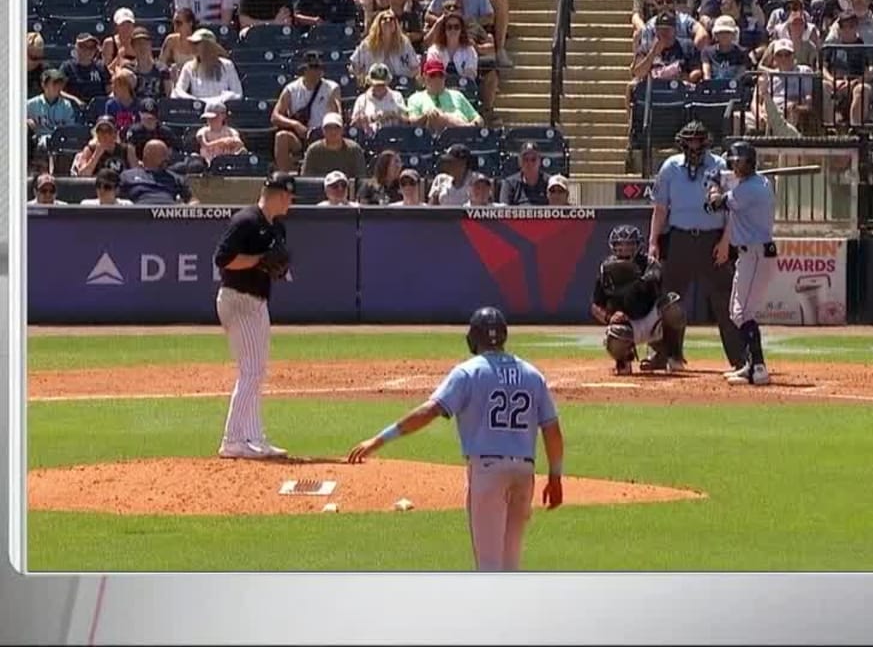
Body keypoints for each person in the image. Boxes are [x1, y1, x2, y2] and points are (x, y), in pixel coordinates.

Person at [346, 307, 565, 572]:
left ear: (473, 338)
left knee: (489, 565)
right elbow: (552, 431)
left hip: (488, 473)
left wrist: (379, 440)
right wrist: (555, 476)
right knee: (510, 565)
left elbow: (429, 411)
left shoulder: (467, 372)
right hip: (524, 473)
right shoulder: (532, 374)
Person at [648, 121, 746, 371]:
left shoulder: (720, 166)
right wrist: (653, 241)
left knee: (724, 301)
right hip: (680, 238)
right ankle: (667, 355)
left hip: (711, 239)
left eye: (698, 142)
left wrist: (725, 242)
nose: (694, 147)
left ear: (706, 143)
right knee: (669, 300)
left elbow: (733, 209)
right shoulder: (670, 167)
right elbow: (660, 208)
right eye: (689, 142)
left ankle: (739, 360)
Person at [213, 173, 297, 460]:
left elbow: (277, 266)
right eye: (287, 195)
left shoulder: (278, 228)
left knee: (256, 371)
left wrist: (278, 269)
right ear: (274, 193)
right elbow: (222, 259)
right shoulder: (246, 221)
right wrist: (259, 260)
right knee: (251, 372)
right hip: (237, 299)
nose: (290, 201)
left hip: (258, 302)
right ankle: (232, 439)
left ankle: (254, 438)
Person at [707, 141, 776, 386]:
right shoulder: (758, 183)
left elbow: (714, 206)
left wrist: (713, 186)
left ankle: (758, 368)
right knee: (736, 313)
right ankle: (749, 365)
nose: (736, 165)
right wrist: (722, 179)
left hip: (756, 254)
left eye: (740, 161)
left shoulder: (749, 190)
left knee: (744, 312)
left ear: (749, 163)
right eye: (735, 162)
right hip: (749, 255)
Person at [592, 224, 686, 375]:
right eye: (620, 244)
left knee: (672, 306)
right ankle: (623, 361)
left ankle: (673, 355)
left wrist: (634, 280)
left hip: (650, 318)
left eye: (629, 244)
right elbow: (596, 305)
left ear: (638, 245)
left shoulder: (649, 263)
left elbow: (655, 278)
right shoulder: (606, 268)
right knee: (615, 335)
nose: (625, 248)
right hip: (626, 323)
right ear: (613, 246)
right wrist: (610, 317)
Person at [271, 51, 343, 172]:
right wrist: (295, 124)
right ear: (304, 69)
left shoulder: (331, 88)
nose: (317, 72)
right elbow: (275, 116)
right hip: (301, 135)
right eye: (313, 68)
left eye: (319, 68)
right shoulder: (291, 89)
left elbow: (337, 114)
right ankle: (285, 177)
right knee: (281, 137)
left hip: (323, 134)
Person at [171, 29, 243, 106]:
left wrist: (223, 99)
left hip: (221, 110)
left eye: (197, 43)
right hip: (198, 109)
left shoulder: (227, 65)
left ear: (208, 46)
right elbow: (177, 92)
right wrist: (194, 100)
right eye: (193, 43)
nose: (193, 46)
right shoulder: (188, 67)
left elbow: (238, 94)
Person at [119, 140, 197, 205]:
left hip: (168, 215)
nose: (167, 158)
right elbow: (113, 197)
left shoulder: (175, 178)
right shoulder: (128, 176)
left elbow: (192, 200)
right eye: (162, 154)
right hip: (139, 214)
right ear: (147, 156)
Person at [300, 112, 366, 180]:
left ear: (343, 130)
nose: (333, 132)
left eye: (337, 128)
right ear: (323, 130)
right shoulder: (313, 150)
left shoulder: (354, 150)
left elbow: (361, 178)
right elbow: (306, 178)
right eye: (328, 128)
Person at [70, 115, 137, 178]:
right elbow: (82, 175)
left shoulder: (127, 150)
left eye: (108, 131)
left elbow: (137, 174)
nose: (104, 135)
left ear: (115, 134)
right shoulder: (90, 150)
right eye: (100, 131)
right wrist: (97, 154)